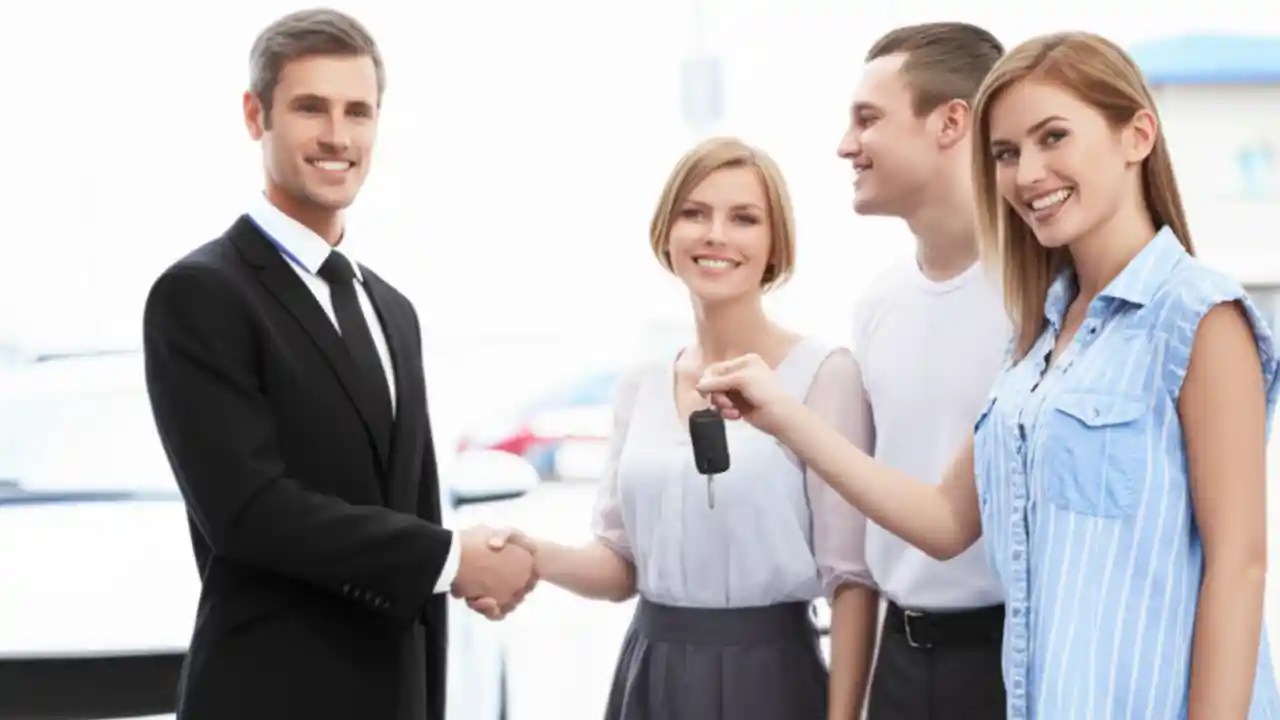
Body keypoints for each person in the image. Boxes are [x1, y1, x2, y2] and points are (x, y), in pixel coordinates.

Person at [696, 31, 1280, 719]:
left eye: (1053, 137)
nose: (1028, 174)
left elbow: (1238, 570)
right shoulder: (1037, 341)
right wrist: (783, 415)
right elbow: (945, 521)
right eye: (1006, 153)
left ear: (1137, 135)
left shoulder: (1199, 316)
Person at [141, 9, 535, 720]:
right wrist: (450, 558)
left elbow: (412, 504)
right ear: (255, 115)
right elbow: (249, 512)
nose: (337, 135)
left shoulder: (392, 310)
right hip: (267, 699)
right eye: (310, 108)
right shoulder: (201, 295)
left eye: (358, 112)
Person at [486, 136, 878, 719]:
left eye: (744, 218)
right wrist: (534, 555)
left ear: (776, 244)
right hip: (652, 673)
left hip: (773, 678)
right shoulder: (643, 383)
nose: (716, 234)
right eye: (694, 213)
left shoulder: (824, 374)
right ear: (666, 233)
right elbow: (621, 565)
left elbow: (852, 580)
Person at [833, 22, 1009, 718]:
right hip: (900, 665)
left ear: (950, 123)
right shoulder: (877, 305)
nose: (845, 145)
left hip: (1013, 662)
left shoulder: (1047, 297)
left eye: (867, 119)